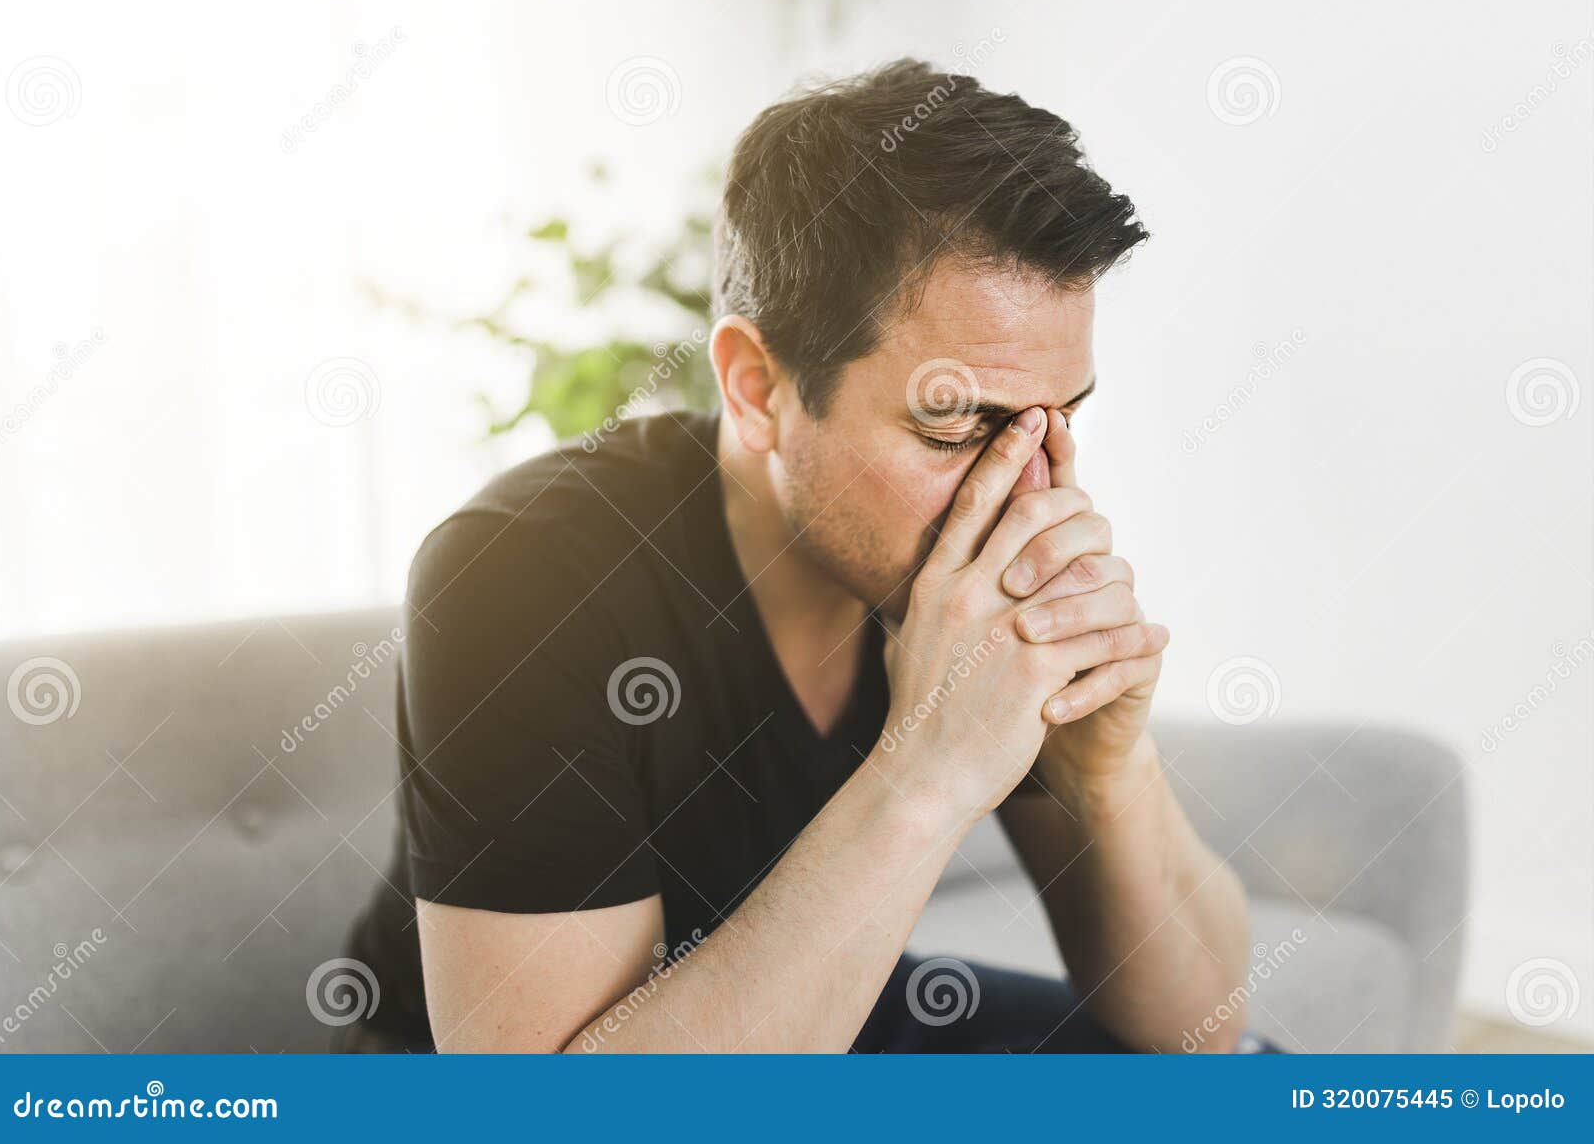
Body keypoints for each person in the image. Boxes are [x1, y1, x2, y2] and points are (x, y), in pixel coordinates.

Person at [340, 58, 1263, 1053]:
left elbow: (1203, 1037)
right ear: (755, 388)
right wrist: (928, 769)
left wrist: (1108, 773)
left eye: (1057, 423)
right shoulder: (522, 579)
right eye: (955, 427)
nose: (1029, 492)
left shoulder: (973, 565)